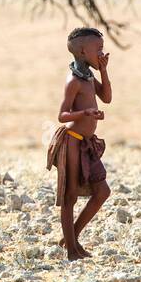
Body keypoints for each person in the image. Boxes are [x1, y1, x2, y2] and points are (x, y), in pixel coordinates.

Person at [45, 27, 112, 260]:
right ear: (83, 51)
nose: (103, 53)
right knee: (70, 195)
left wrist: (103, 71)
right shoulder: (73, 80)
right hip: (72, 142)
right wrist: (85, 112)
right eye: (99, 50)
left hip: (86, 143)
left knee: (102, 191)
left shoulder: (88, 77)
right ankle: (72, 250)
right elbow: (62, 115)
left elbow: (107, 97)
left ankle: (69, 238)